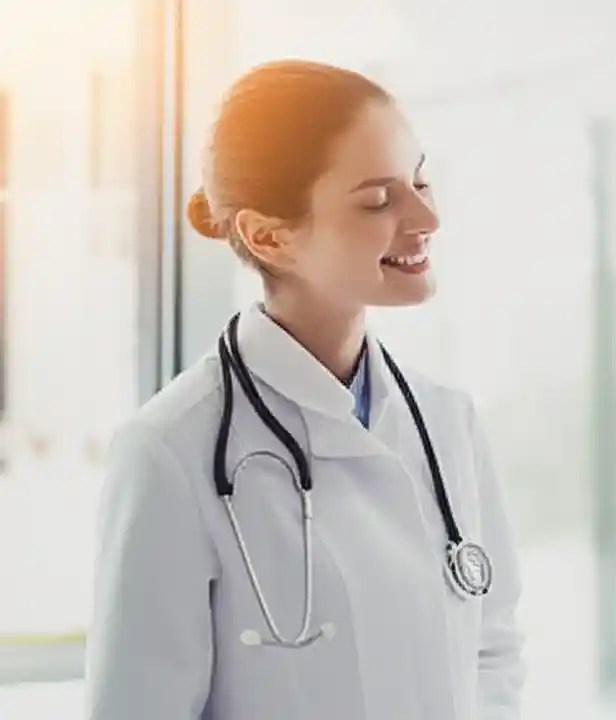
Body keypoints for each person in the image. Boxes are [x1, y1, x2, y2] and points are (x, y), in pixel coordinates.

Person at [86, 60, 524, 719]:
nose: (426, 215)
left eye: (421, 179)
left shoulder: (445, 420)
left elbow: (492, 657)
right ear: (268, 236)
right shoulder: (169, 452)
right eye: (379, 200)